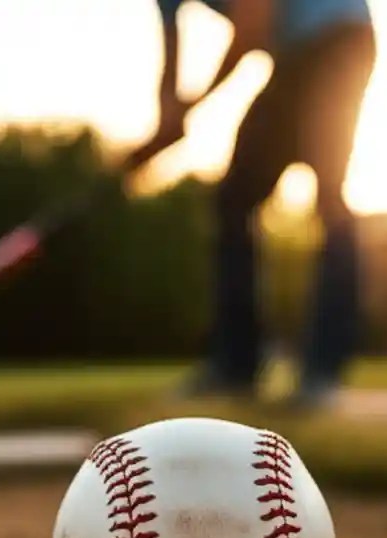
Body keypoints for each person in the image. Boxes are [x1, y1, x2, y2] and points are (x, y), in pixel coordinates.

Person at [141, 0, 375, 408]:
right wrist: (168, 114)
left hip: (339, 39)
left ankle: (322, 371)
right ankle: (237, 364)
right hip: (291, 55)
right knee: (233, 200)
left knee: (329, 198)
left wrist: (193, 104)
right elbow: (169, 65)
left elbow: (252, 26)